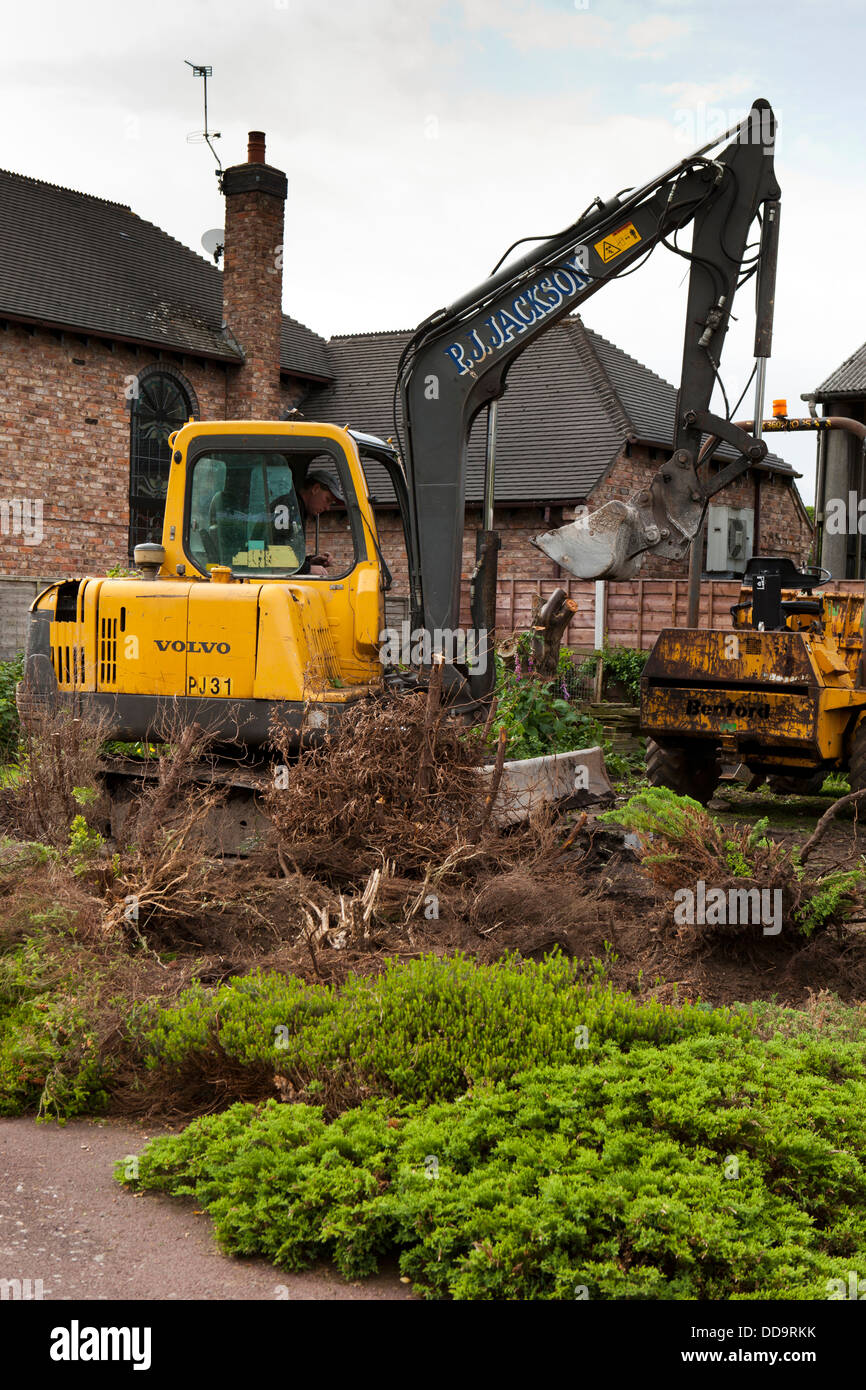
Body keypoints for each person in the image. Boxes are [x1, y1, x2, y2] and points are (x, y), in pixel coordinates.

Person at [294, 468, 344, 576]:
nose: (327, 508)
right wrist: (307, 569)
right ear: (315, 489)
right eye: (327, 500)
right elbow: (276, 557)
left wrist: (310, 561)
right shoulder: (290, 509)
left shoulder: (299, 509)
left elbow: (288, 556)